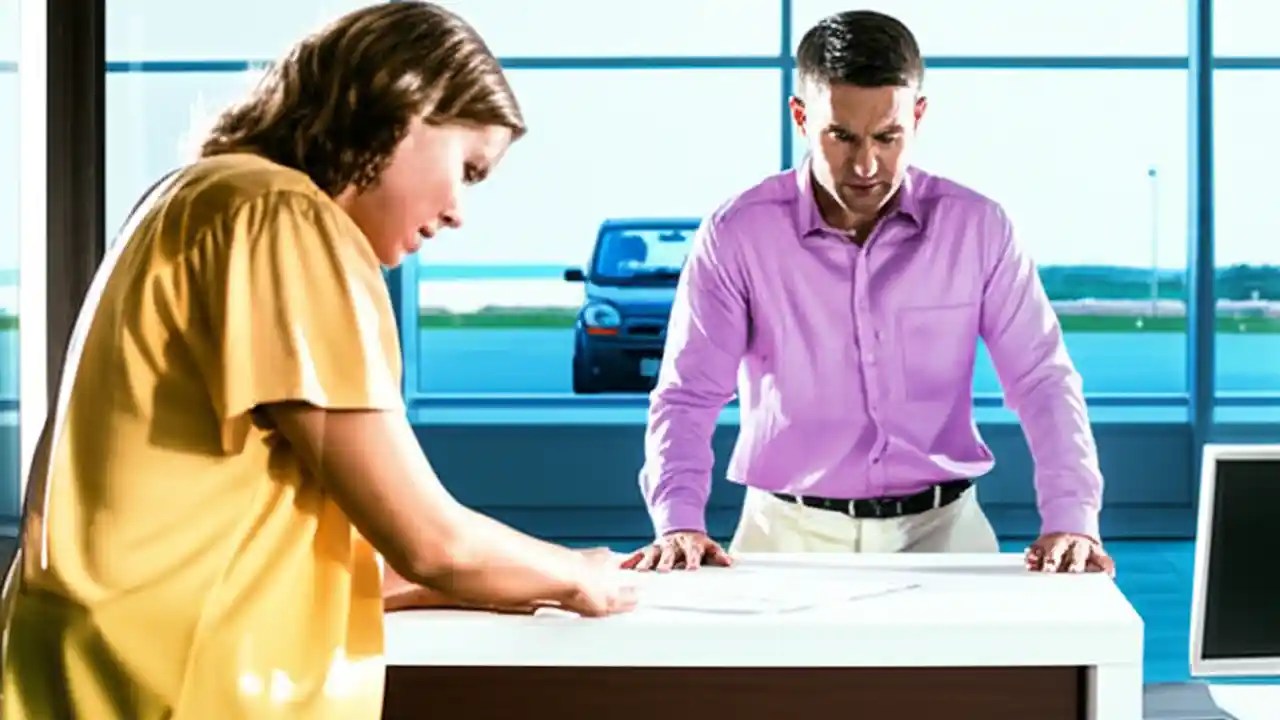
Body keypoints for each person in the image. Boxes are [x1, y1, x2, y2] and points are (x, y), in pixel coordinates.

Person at [0, 3, 635, 719]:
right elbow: (431, 541)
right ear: (408, 100)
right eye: (469, 167)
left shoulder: (195, 197)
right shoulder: (284, 218)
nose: (460, 211)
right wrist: (579, 577)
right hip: (191, 688)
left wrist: (514, 573)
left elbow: (265, 536)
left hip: (89, 672)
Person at [624, 10, 1115, 577]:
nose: (865, 164)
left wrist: (1072, 515)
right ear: (801, 117)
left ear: (919, 116)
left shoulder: (978, 227)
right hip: (785, 537)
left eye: (888, 137)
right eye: (842, 136)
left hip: (945, 534)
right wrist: (679, 520)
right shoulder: (739, 232)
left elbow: (1042, 380)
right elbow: (688, 395)